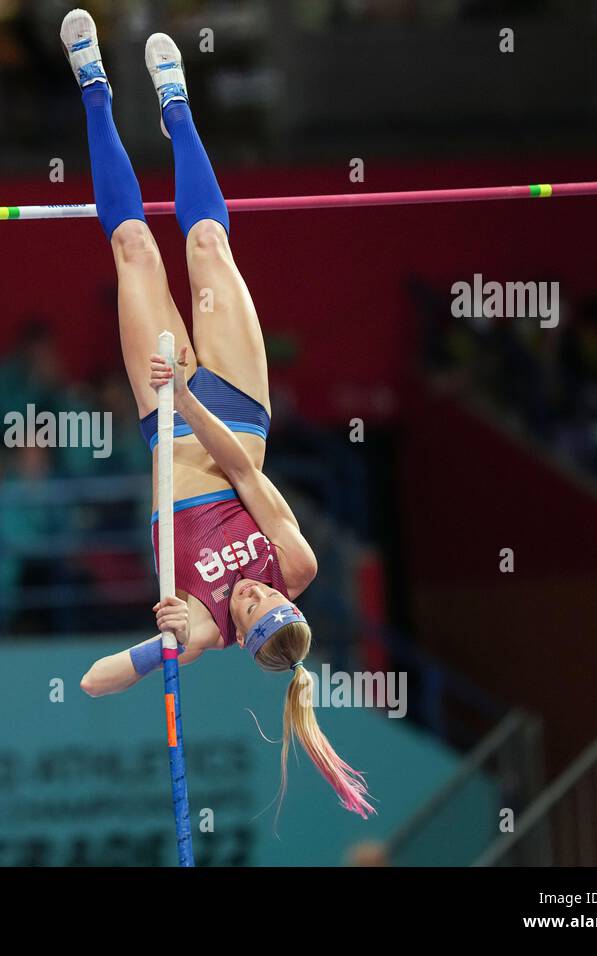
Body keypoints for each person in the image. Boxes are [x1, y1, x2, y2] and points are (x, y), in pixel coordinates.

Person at [61, 10, 372, 818]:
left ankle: (92, 84)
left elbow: (94, 682)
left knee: (132, 247)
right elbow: (239, 470)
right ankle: (176, 104)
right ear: (291, 603)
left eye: (251, 612)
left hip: (166, 429)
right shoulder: (294, 566)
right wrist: (189, 387)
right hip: (229, 415)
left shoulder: (204, 630)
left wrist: (160, 644)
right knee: (207, 250)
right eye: (268, 604)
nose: (251, 599)